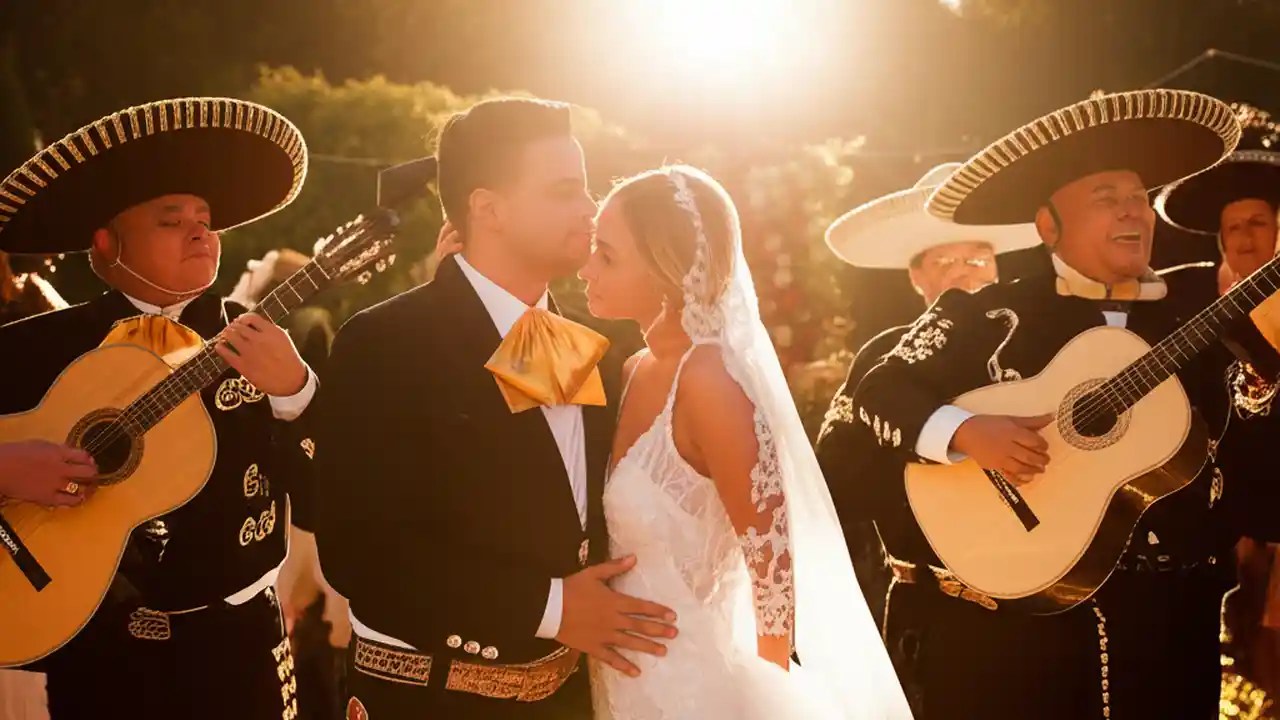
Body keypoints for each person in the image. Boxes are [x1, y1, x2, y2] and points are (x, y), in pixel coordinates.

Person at [818, 88, 1280, 719]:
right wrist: (964, 430)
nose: (1132, 211)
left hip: (1173, 640)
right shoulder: (985, 313)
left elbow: (1260, 487)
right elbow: (881, 390)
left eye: (1139, 197)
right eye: (1105, 198)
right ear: (1047, 227)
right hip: (1011, 652)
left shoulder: (1209, 317)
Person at [314, 97, 675, 720]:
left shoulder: (576, 344)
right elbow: (362, 555)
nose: (589, 209)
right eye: (565, 191)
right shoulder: (386, 342)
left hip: (572, 700)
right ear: (489, 209)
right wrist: (552, 609)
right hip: (430, 702)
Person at [0, 96, 318, 719]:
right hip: (95, 657)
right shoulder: (31, 347)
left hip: (240, 652)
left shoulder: (263, 345)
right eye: (171, 221)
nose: (201, 231)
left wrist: (297, 395)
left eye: (205, 218)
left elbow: (328, 500)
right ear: (106, 242)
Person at [577, 163, 911, 718]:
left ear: (665, 271)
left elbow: (773, 565)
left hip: (695, 690)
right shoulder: (633, 368)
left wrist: (764, 696)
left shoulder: (709, 382)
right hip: (617, 680)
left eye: (606, 255)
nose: (586, 268)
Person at [816, 163, 1039, 710]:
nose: (966, 273)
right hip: (936, 605)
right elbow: (838, 475)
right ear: (916, 277)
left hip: (1038, 605)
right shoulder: (885, 357)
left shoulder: (1034, 347)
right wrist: (941, 452)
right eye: (946, 261)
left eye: (978, 258)